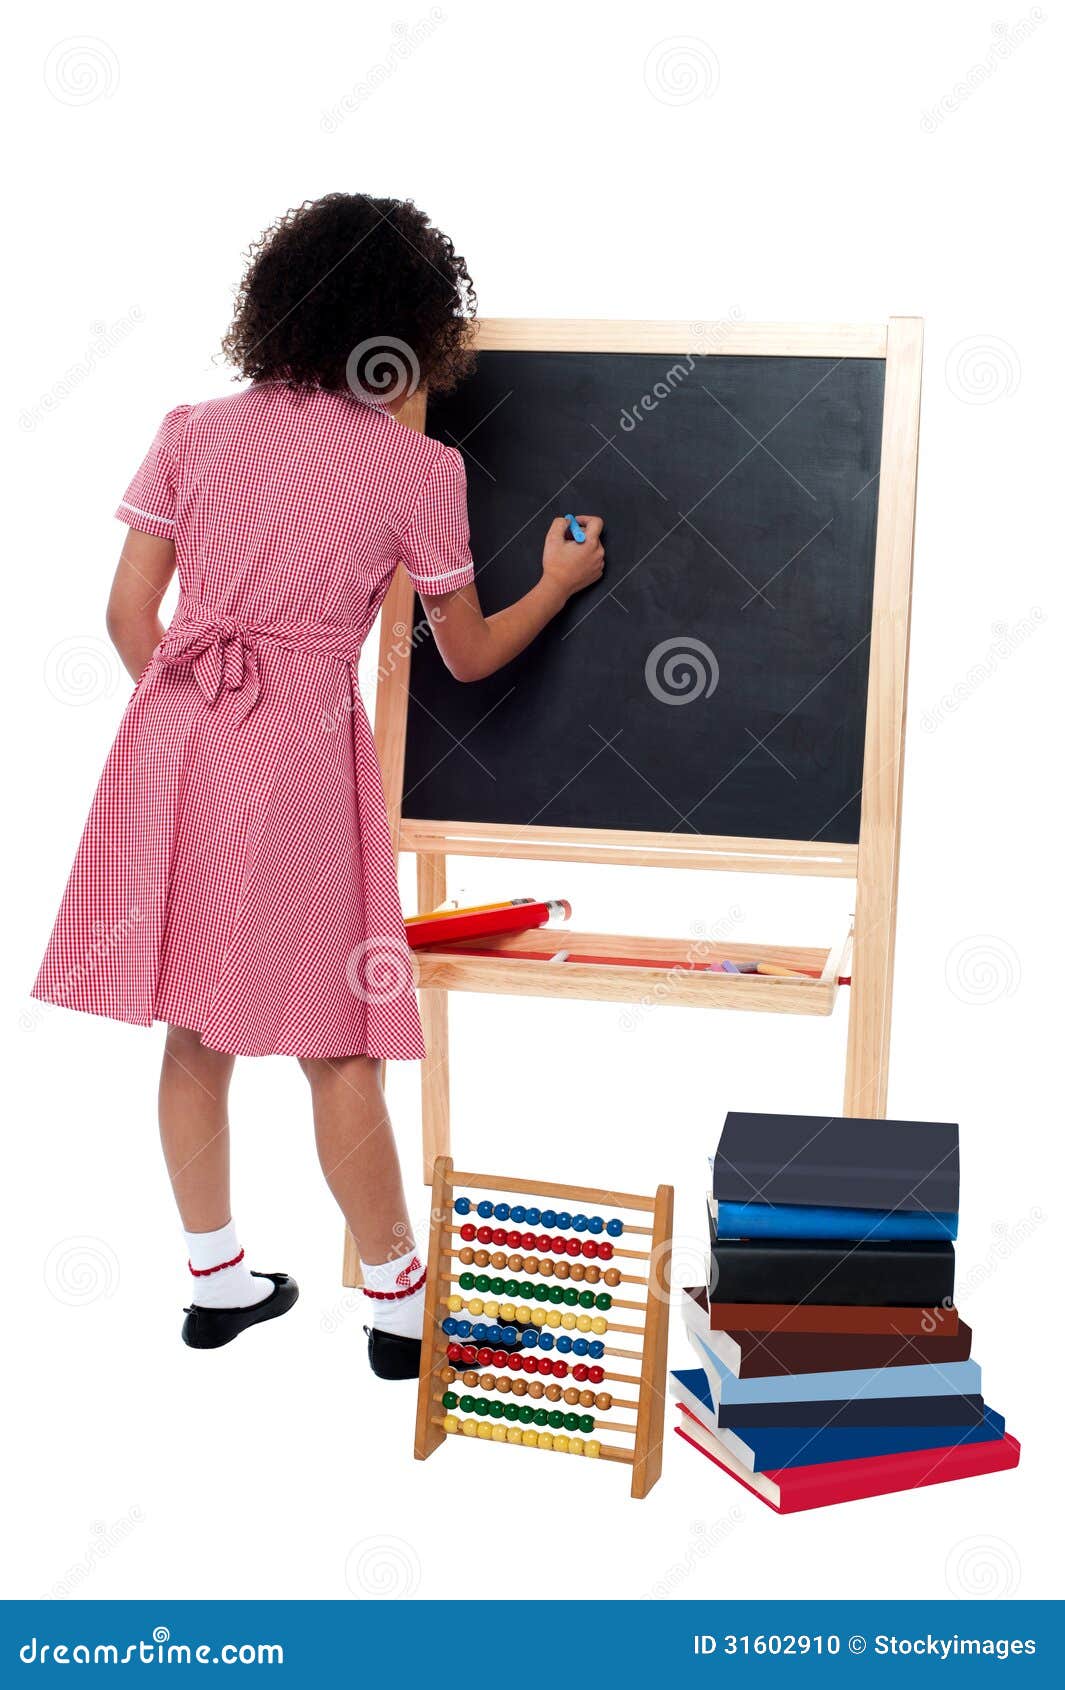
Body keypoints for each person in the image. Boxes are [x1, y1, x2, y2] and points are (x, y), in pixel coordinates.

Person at [32, 193, 605, 1378]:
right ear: (407, 327)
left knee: (196, 1025)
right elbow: (466, 655)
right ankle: (401, 1311)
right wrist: (556, 583)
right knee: (338, 1040)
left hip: (174, 747)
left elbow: (128, 616)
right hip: (297, 758)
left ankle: (217, 1282)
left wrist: (205, 719)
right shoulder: (417, 469)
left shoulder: (191, 429)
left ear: (278, 303)